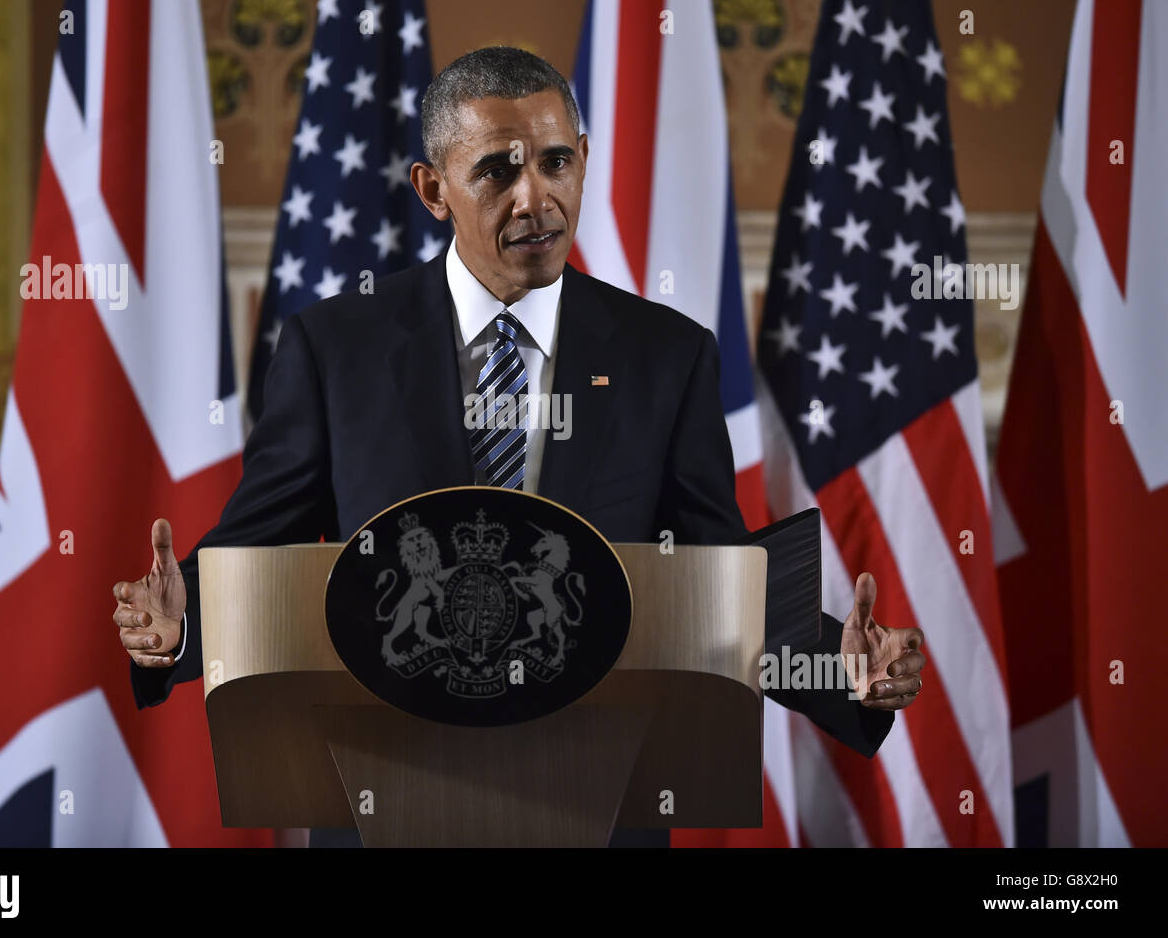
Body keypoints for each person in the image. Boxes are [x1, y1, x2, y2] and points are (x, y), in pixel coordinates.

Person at [111, 46, 925, 844]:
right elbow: (258, 552)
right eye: (497, 171)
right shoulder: (335, 350)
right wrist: (177, 625)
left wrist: (840, 667)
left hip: (600, 805)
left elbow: (712, 579)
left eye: (556, 161)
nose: (536, 196)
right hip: (389, 799)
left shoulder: (667, 356)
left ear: (585, 161)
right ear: (433, 189)